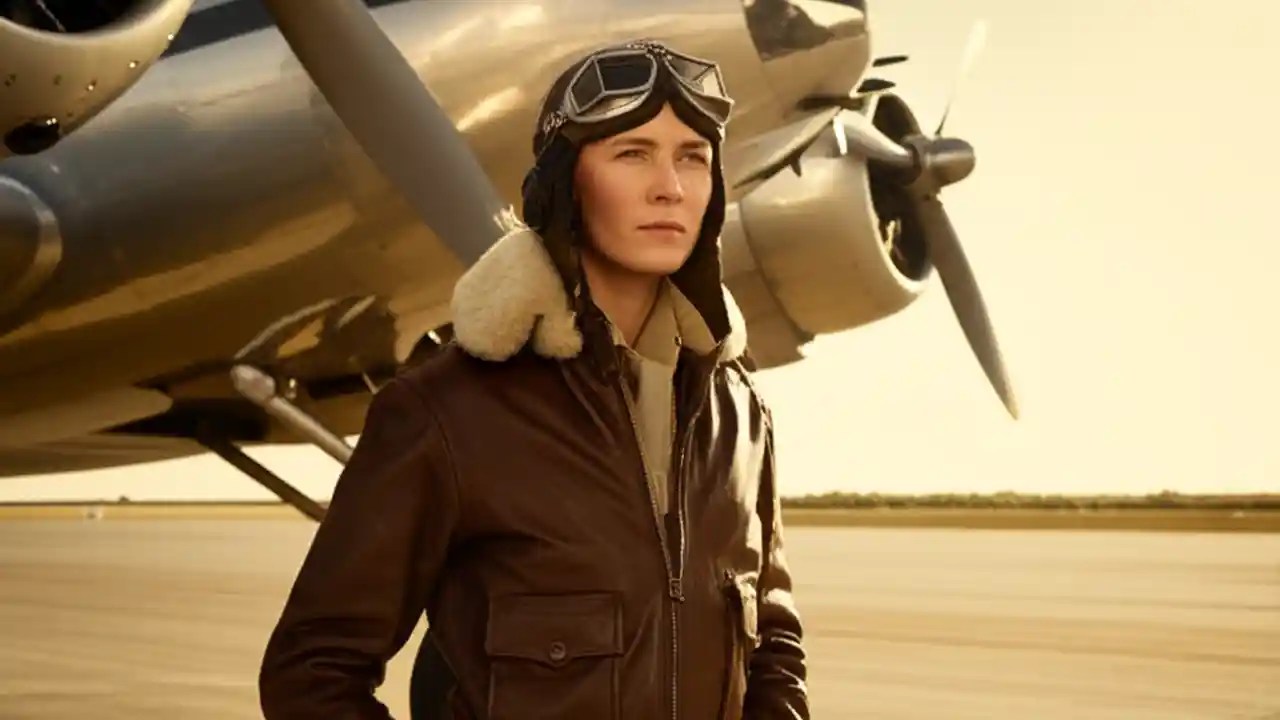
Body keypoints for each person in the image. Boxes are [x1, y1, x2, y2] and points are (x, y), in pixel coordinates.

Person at [257, 39, 808, 720]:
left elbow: (774, 643)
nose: (670, 186)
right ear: (563, 188)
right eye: (632, 153)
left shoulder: (741, 411)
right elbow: (311, 673)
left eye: (692, 158)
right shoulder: (446, 410)